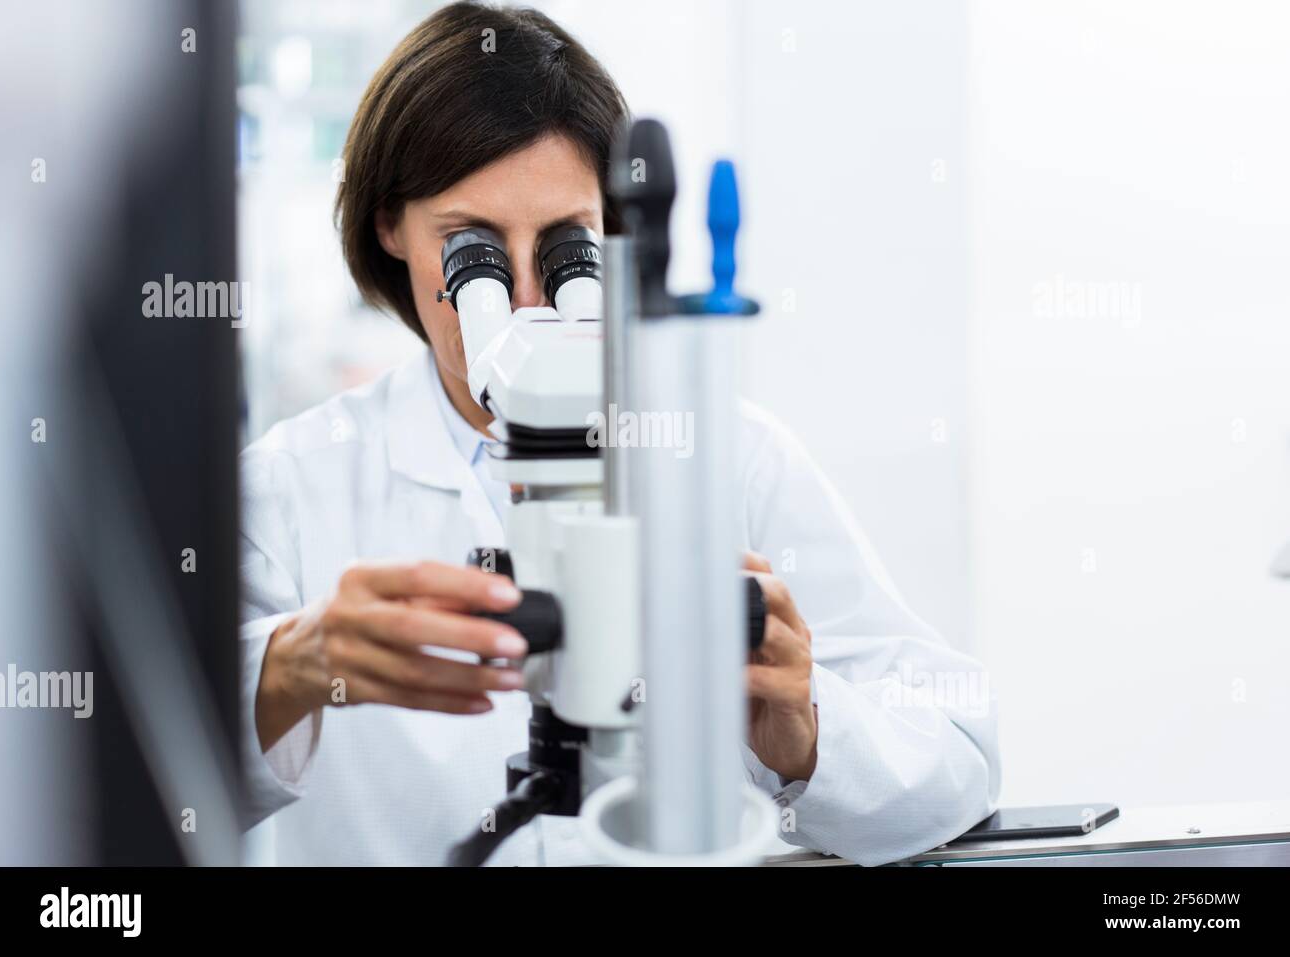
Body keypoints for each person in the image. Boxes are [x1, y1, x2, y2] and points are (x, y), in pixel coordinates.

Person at [241, 1, 1000, 866]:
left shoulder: (731, 456)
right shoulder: (291, 487)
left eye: (567, 248)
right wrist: (293, 666)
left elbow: (960, 757)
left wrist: (806, 726)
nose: (525, 300)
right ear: (389, 226)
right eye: (471, 252)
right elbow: (125, 778)